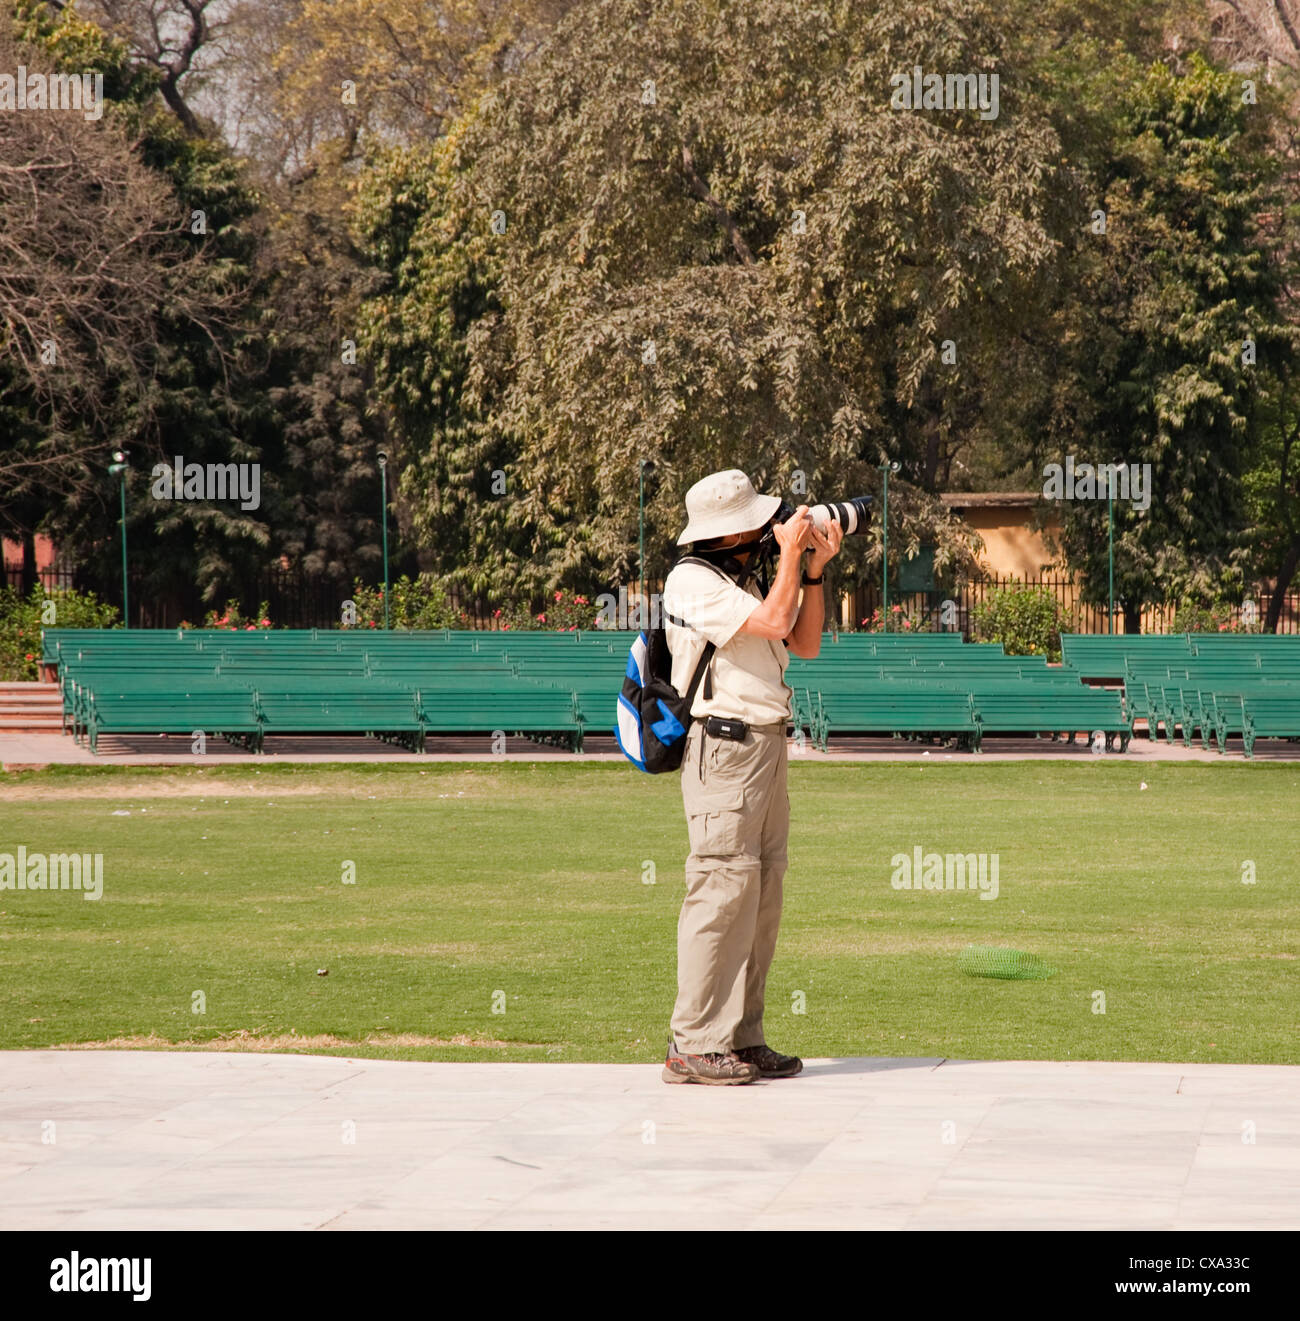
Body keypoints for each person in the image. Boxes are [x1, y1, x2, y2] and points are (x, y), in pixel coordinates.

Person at [660, 469, 843, 1085]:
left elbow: (807, 642)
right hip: (723, 747)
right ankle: (693, 1041)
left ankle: (740, 1036)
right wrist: (790, 556)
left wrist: (810, 569)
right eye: (762, 521)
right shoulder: (689, 580)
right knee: (720, 889)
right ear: (732, 528)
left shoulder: (754, 575)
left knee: (761, 895)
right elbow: (768, 624)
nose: (773, 525)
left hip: (766, 743)